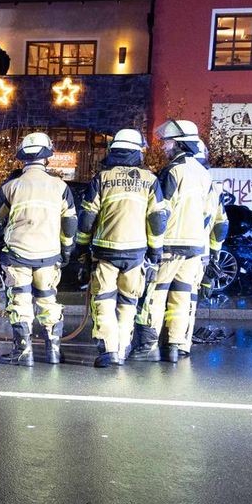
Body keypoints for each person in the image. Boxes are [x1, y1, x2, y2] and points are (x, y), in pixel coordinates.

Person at [132, 119, 228, 363]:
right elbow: (218, 218)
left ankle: (147, 346)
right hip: (195, 250)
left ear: (179, 143)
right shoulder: (204, 174)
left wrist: (152, 246)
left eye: (167, 142)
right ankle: (176, 347)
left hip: (170, 246)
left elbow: (160, 212)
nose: (164, 146)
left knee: (155, 295)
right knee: (182, 298)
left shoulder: (173, 171)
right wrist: (213, 252)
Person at [75, 130, 167, 367]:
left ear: (113, 151)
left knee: (104, 299)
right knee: (128, 301)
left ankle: (109, 350)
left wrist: (82, 247)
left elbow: (87, 217)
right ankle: (123, 349)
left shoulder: (101, 178)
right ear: (137, 152)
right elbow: (157, 220)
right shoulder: (150, 180)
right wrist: (155, 252)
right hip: (136, 254)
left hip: (105, 252)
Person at [0, 132, 79, 365]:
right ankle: (54, 352)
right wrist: (66, 250)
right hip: (48, 255)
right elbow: (70, 222)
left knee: (20, 301)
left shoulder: (13, 186)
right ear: (47, 156)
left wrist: (5, 184)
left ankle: (23, 352)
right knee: (48, 300)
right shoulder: (60, 186)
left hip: (17, 254)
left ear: (23, 157)